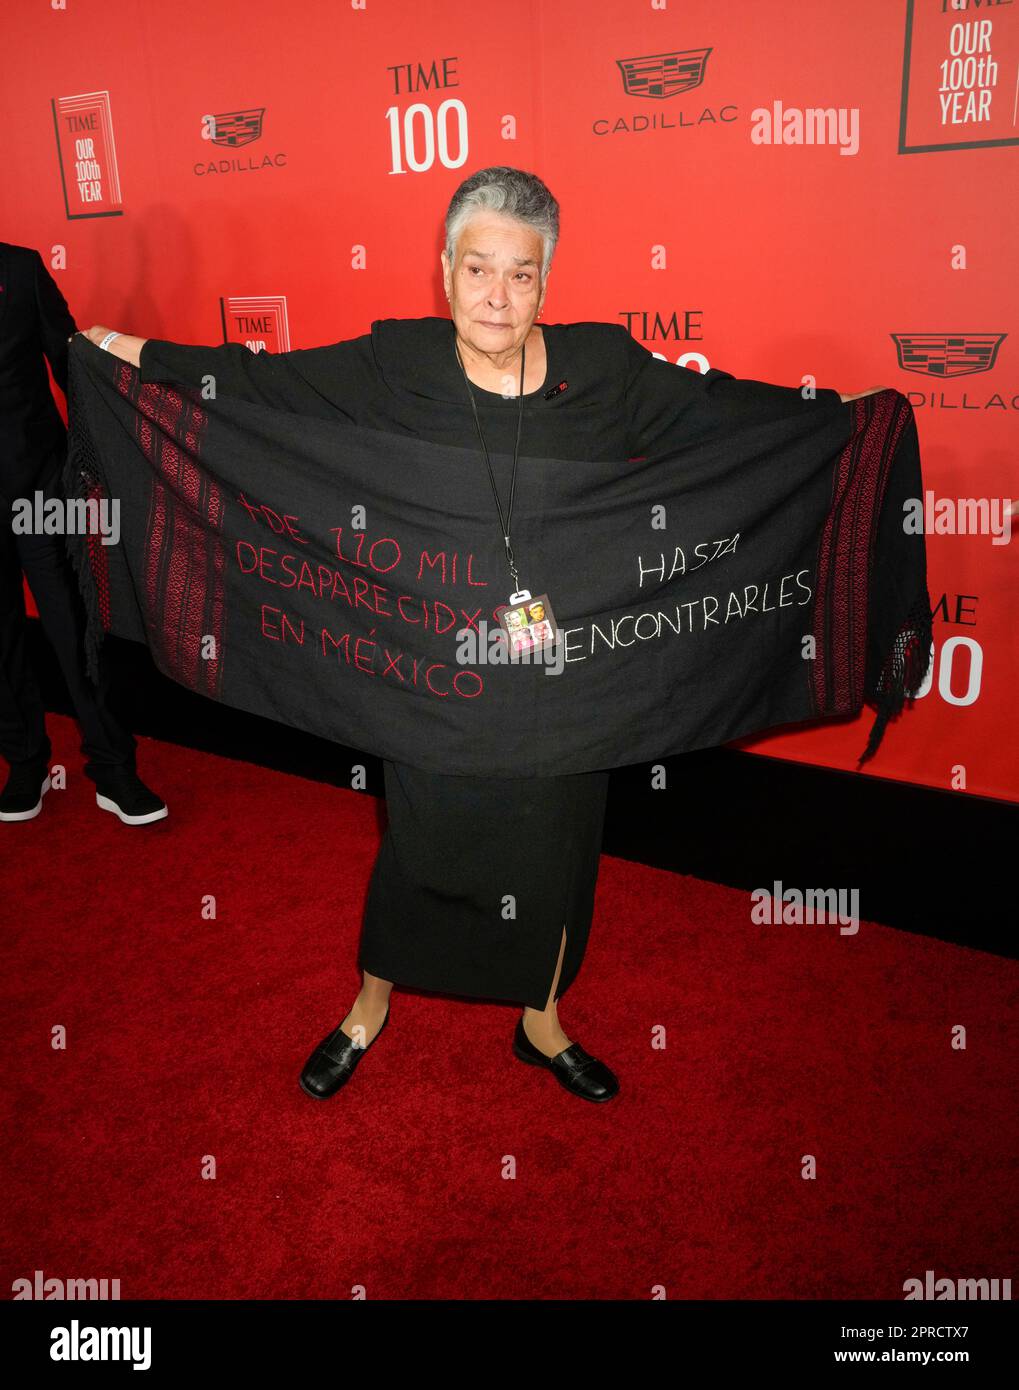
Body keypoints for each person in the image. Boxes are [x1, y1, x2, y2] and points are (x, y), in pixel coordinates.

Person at [81, 166, 883, 1100]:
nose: (497, 297)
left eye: (521, 274)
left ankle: (541, 1022)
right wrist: (127, 350)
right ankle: (368, 1005)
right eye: (477, 270)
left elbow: (729, 415)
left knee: (556, 851)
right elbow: (263, 383)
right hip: (434, 672)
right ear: (444, 269)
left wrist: (848, 424)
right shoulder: (397, 364)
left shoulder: (607, 371)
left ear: (547, 280)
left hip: (569, 676)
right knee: (422, 844)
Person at [0, 241, 166, 824]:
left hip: (40, 488)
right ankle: (24, 763)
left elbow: (71, 366)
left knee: (74, 629)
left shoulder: (18, 270)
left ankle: (114, 770)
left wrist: (103, 459)